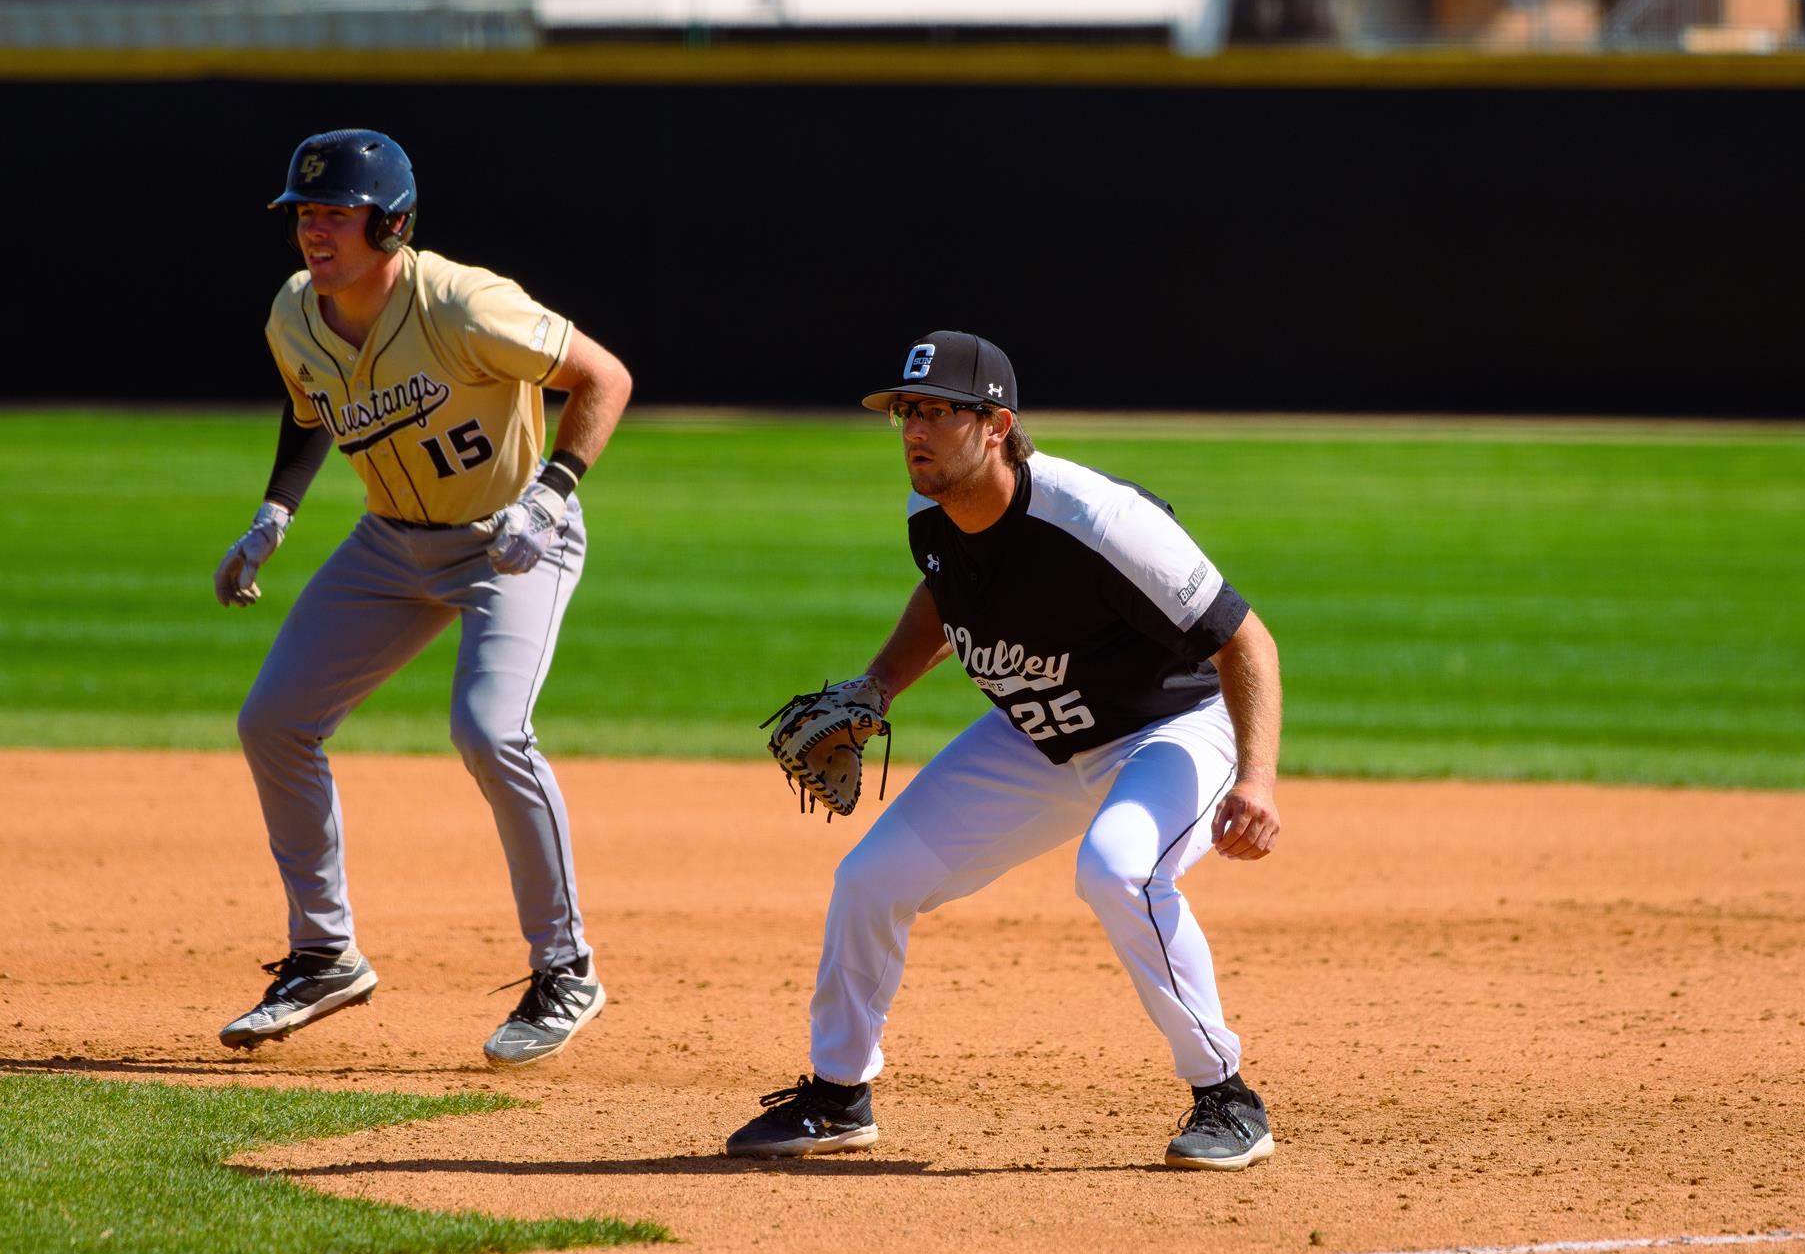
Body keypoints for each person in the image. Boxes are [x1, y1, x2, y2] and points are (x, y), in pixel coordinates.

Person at [726, 331, 1283, 1170]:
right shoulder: (930, 512)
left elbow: (1247, 641)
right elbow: (943, 592)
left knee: (1117, 868)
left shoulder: (1100, 521)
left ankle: (1228, 1096)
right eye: (906, 412)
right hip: (1036, 735)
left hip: (1168, 728)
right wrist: (877, 687)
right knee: (871, 879)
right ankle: (838, 1096)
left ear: (996, 425)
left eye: (937, 412)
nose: (915, 430)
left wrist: (1258, 781)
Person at [212, 129, 632, 1068]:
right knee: (274, 721)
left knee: (490, 731)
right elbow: (311, 403)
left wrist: (550, 496)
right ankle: (325, 955)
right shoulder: (295, 311)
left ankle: (566, 969)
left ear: (391, 223)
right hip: (389, 543)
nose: (315, 231)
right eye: (304, 213)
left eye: (337, 213)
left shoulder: (462, 303)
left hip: (511, 539)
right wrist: (275, 512)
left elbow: (604, 377)